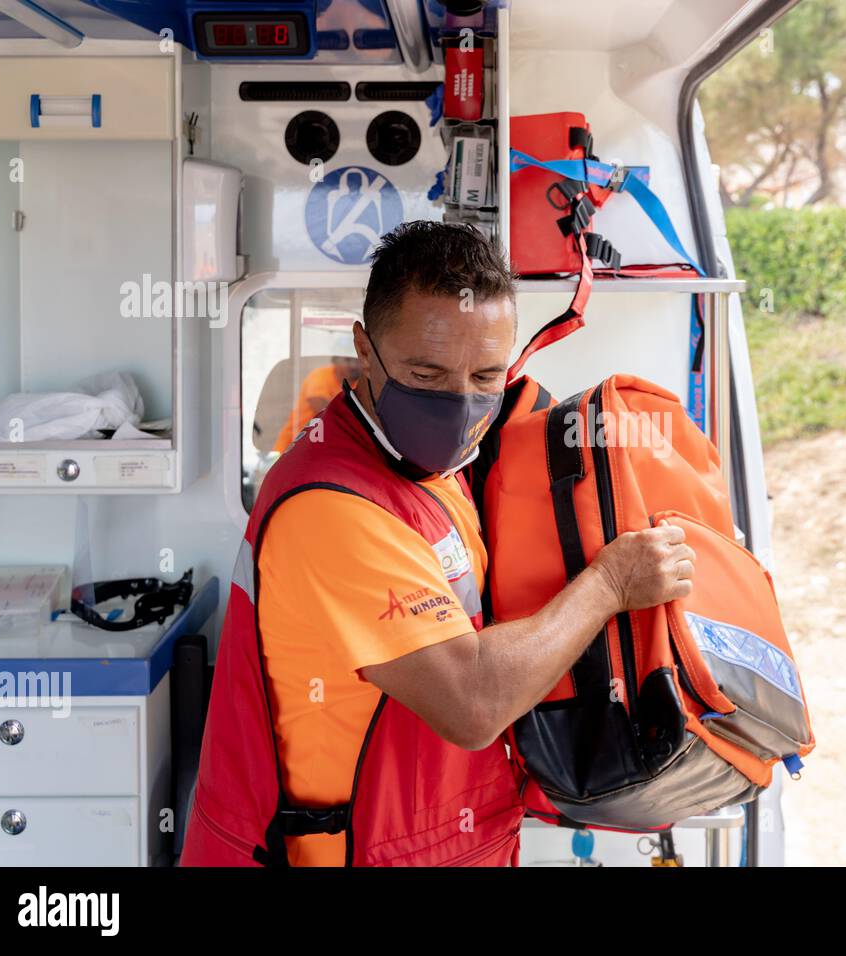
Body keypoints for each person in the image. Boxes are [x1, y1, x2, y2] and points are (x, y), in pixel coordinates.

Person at [182, 222, 696, 867]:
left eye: (486, 374)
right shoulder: (332, 505)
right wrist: (610, 585)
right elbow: (471, 702)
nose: (459, 404)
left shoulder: (435, 467)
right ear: (364, 350)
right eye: (425, 374)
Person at [270, 335, 363, 454]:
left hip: (316, 452)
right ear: (335, 361)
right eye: (348, 360)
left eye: (357, 360)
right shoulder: (320, 376)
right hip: (290, 450)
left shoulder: (358, 384)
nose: (354, 365)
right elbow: (327, 413)